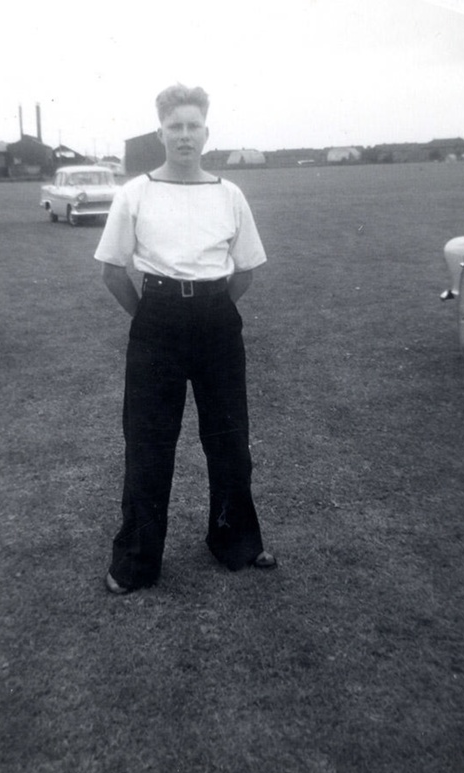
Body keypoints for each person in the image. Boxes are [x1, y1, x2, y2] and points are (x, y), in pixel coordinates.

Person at [94, 84, 276, 594]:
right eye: (175, 127)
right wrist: (152, 316)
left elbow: (245, 271)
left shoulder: (228, 194)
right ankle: (135, 561)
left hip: (218, 323)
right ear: (160, 133)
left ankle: (235, 541)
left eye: (193, 126)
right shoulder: (136, 193)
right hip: (156, 324)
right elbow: (111, 270)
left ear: (207, 132)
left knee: (230, 443)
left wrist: (211, 310)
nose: (185, 135)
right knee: (149, 447)